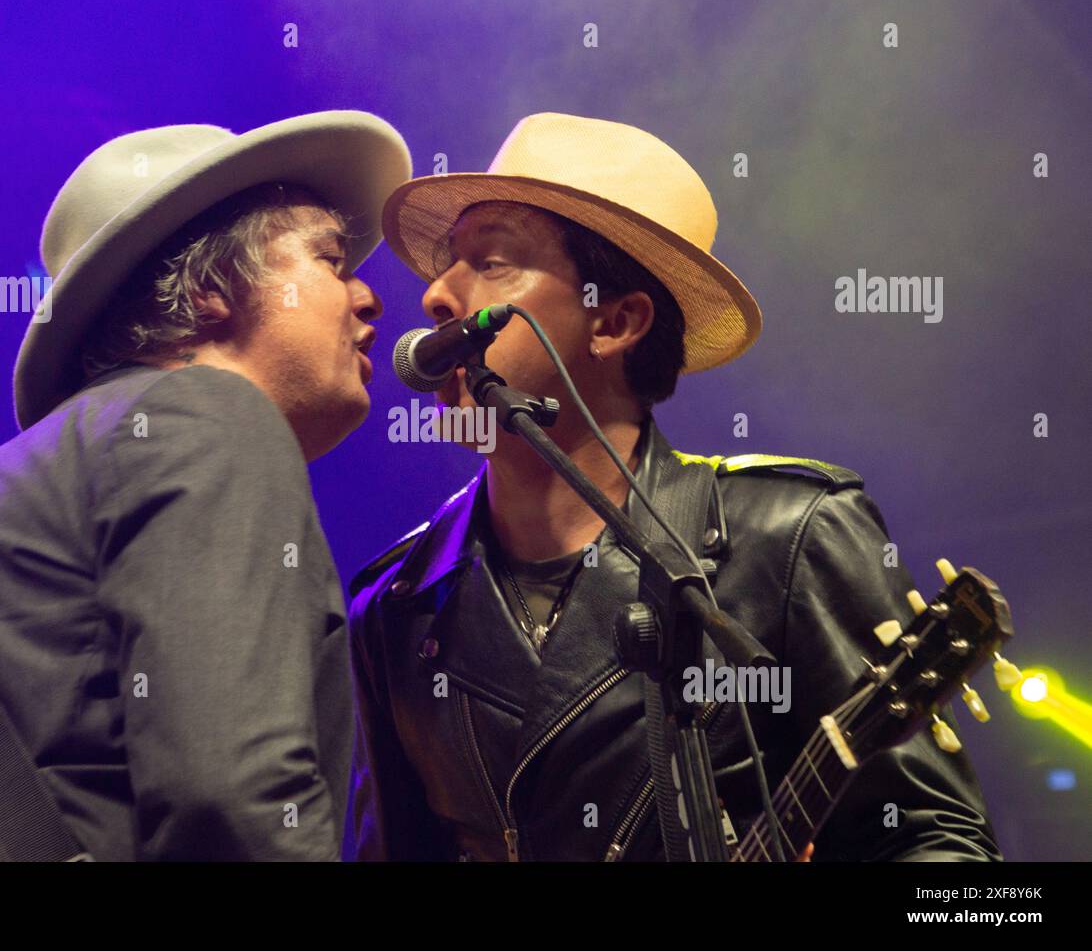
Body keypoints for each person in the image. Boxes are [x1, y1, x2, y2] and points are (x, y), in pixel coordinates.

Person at [345, 112, 1001, 861]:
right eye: (446, 263)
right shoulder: (394, 604)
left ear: (617, 321)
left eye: (491, 262)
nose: (437, 295)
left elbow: (948, 865)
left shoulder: (788, 537)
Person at [0, 111, 411, 860]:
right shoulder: (212, 412)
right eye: (331, 261)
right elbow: (233, 802)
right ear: (213, 287)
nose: (368, 298)